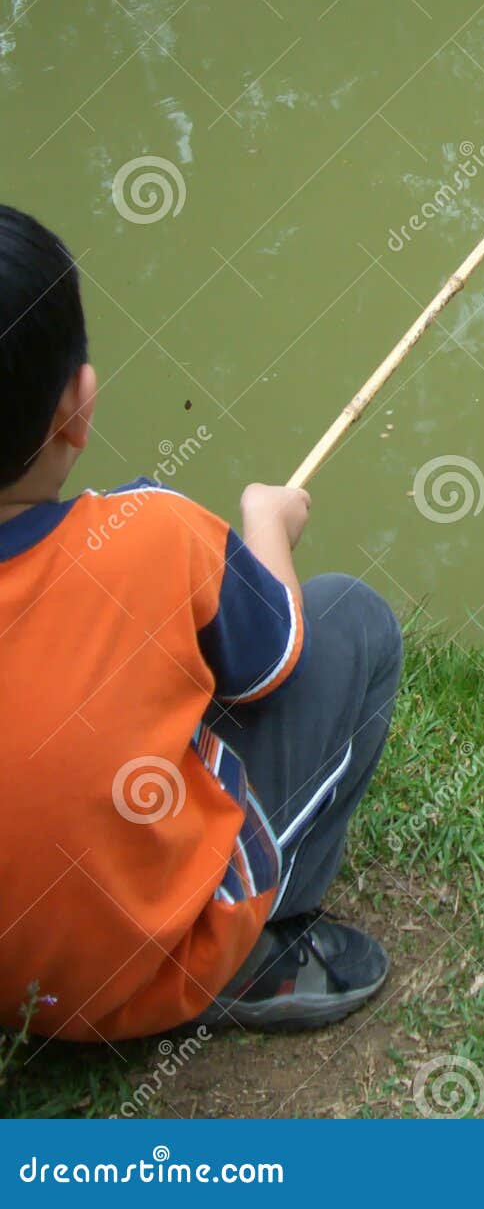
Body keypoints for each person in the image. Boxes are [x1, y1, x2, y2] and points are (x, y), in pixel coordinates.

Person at [0, 205, 403, 1041]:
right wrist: (267, 525)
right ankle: (249, 950)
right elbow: (276, 654)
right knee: (350, 620)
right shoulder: (150, 533)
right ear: (78, 405)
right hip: (117, 982)